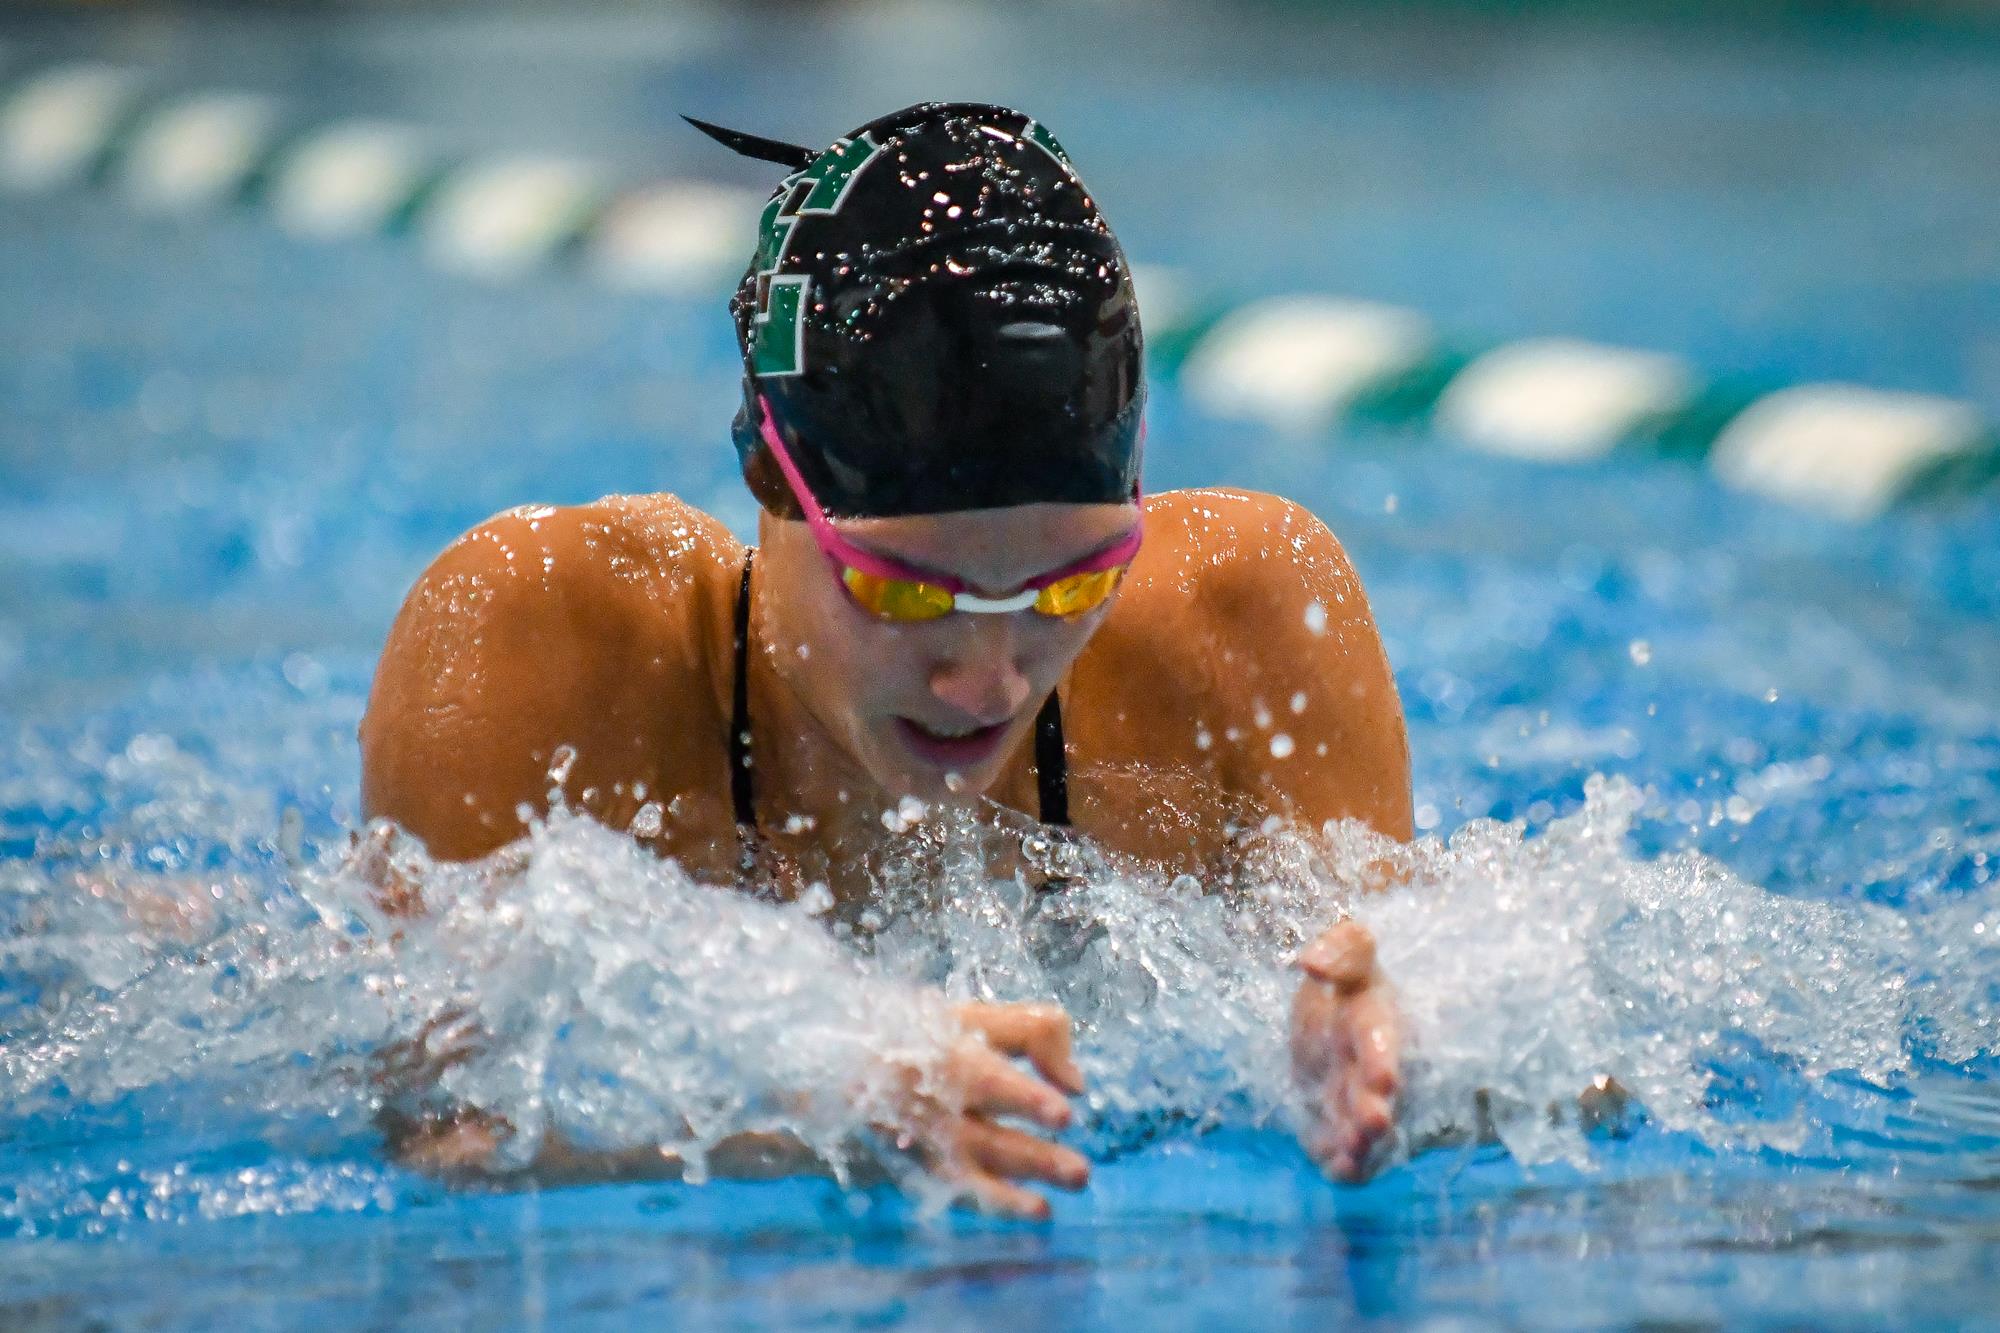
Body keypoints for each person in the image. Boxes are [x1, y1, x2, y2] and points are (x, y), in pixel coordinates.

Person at [360, 102, 1411, 1218]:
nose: (991, 679)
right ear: (769, 472)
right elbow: (442, 1130)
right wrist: (822, 1102)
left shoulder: (1242, 626)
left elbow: (1436, 1017)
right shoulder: (543, 641)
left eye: (1069, 582)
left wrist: (1411, 1044)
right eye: (906, 589)